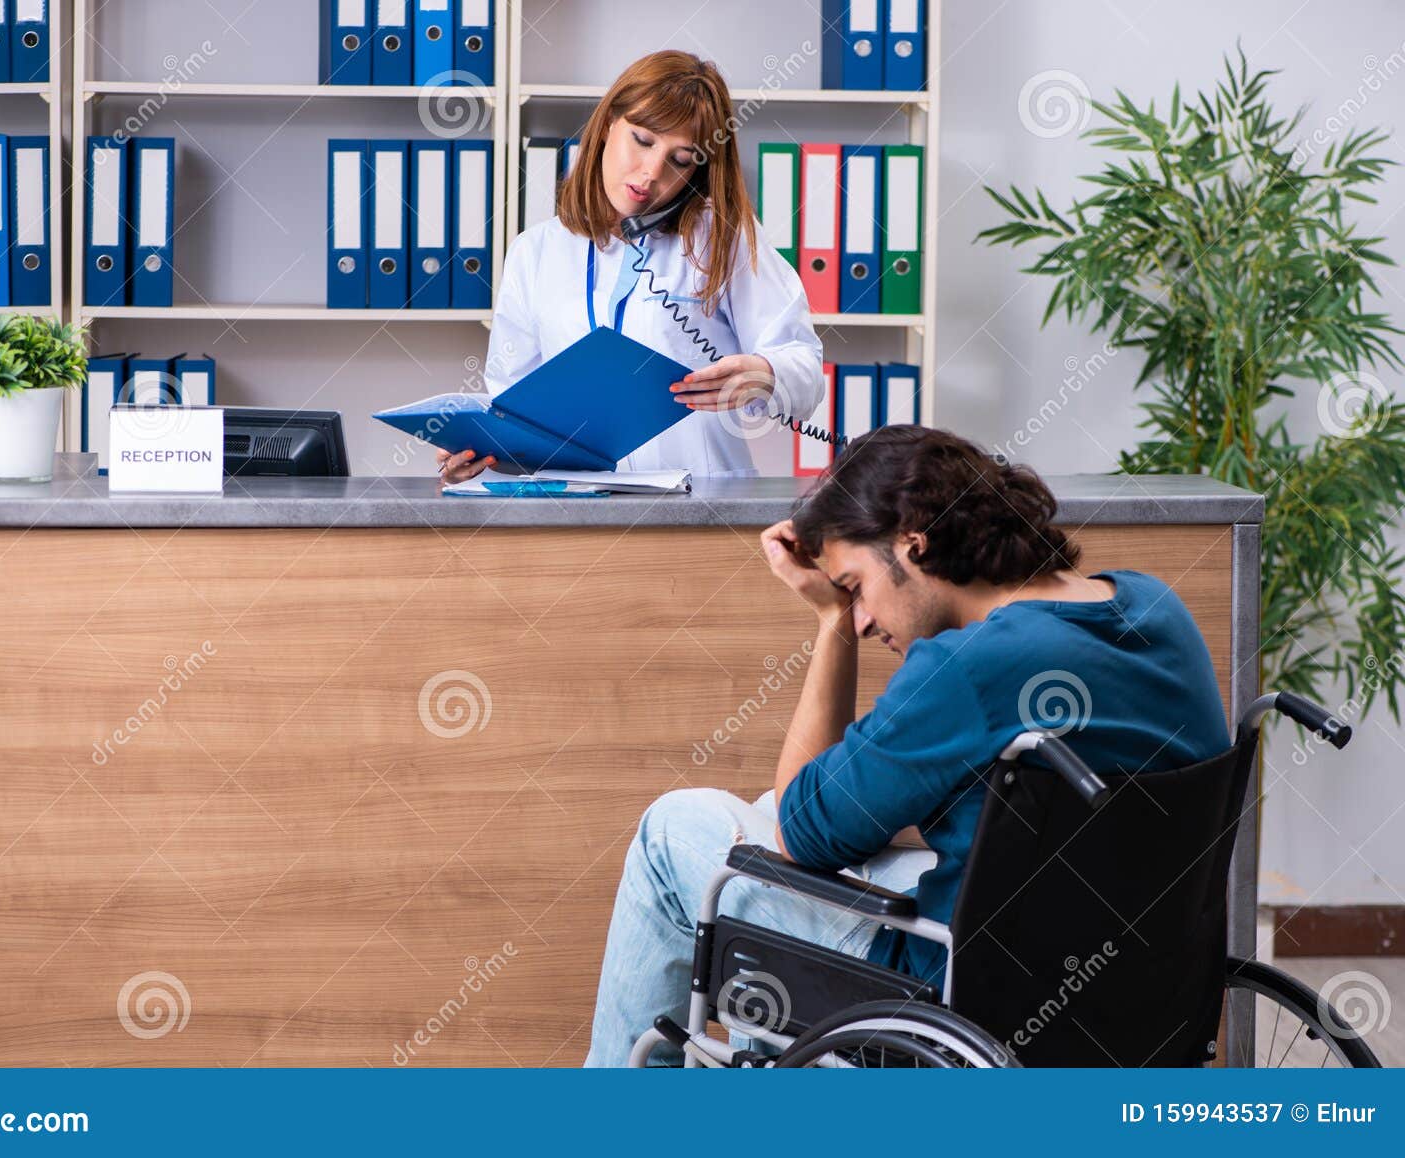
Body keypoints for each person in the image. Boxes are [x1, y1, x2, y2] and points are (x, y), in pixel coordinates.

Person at [583, 426, 1233, 1066]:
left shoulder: (970, 668)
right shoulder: (1154, 608)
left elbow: (797, 828)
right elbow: (1054, 810)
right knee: (776, 813)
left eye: (855, 587)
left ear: (913, 546)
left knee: (676, 828)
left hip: (953, 1001)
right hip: (1133, 991)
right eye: (846, 602)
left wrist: (829, 624)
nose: (863, 619)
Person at [438, 50, 824, 483]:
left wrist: (767, 373)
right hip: (575, 507)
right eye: (642, 140)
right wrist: (483, 449)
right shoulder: (536, 251)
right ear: (606, 126)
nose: (651, 171)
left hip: (703, 504)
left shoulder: (724, 236)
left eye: (680, 160)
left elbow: (805, 369)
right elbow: (512, 402)